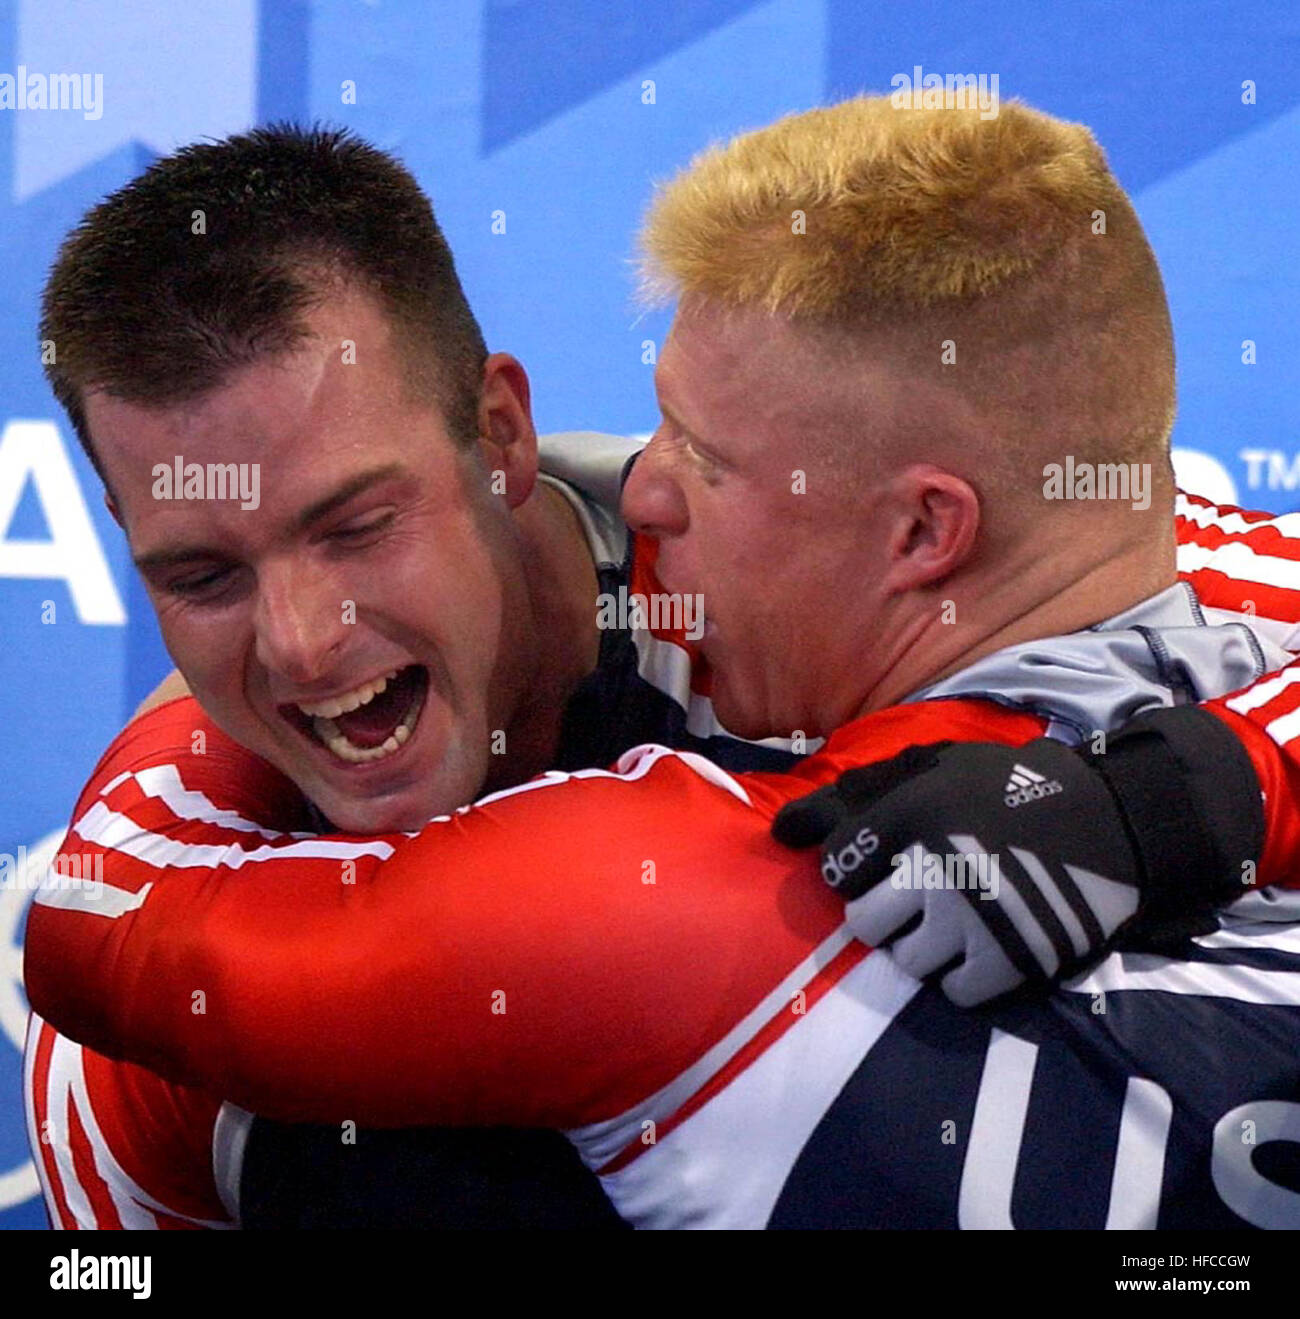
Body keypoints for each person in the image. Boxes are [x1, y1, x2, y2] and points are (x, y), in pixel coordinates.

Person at [26, 97, 1300, 1229]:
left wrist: (1186, 789)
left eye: (360, 523)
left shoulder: (654, 895)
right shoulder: (1197, 605)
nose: (299, 639)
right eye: (202, 576)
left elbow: (96, 929)